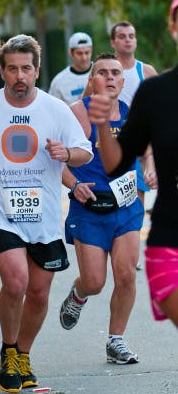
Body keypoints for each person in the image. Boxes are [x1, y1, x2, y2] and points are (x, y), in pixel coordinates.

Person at [0, 34, 93, 393]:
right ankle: (7, 350)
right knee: (16, 283)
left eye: (26, 68)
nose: (19, 76)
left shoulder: (55, 109)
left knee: (40, 292)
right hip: (0, 211)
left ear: (37, 69)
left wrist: (67, 155)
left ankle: (23, 354)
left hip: (43, 216)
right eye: (12, 68)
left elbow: (84, 152)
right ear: (1, 68)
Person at [88, 0, 178, 327]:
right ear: (172, 26)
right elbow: (117, 161)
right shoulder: (156, 92)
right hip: (172, 244)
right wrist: (100, 124)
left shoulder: (148, 79)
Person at [58, 54, 143, 363]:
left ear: (122, 81)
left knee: (126, 276)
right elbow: (54, 160)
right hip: (90, 208)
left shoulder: (131, 113)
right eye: (102, 72)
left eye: (115, 73)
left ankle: (115, 340)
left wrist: (150, 167)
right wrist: (72, 184)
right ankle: (78, 295)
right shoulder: (76, 114)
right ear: (91, 80)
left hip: (126, 207)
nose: (109, 77)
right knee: (94, 281)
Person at [110, 21, 158, 221]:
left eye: (131, 36)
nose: (128, 40)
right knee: (112, 206)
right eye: (122, 36)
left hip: (139, 148)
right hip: (109, 145)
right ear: (113, 42)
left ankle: (129, 244)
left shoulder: (146, 71)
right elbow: (86, 103)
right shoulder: (104, 69)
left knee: (134, 208)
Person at [49, 32, 93, 105]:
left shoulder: (103, 72)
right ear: (70, 52)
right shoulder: (58, 82)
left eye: (87, 52)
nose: (84, 57)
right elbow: (53, 110)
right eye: (79, 53)